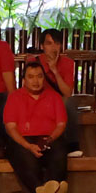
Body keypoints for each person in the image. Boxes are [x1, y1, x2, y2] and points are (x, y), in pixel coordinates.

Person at [4, 61, 69, 193]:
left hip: (49, 138)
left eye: (39, 76)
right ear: (23, 80)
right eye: (31, 77)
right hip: (24, 140)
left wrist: (49, 139)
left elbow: (61, 124)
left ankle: (52, 190)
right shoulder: (14, 97)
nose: (36, 81)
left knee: (59, 150)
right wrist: (28, 145)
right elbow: (11, 127)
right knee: (21, 154)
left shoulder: (54, 97)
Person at [35, 28, 83, 156]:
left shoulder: (68, 63)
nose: (54, 47)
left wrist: (54, 70)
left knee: (69, 102)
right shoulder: (34, 61)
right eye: (49, 43)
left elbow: (67, 93)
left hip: (59, 100)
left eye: (57, 43)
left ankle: (73, 145)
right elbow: (31, 87)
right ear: (42, 46)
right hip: (40, 99)